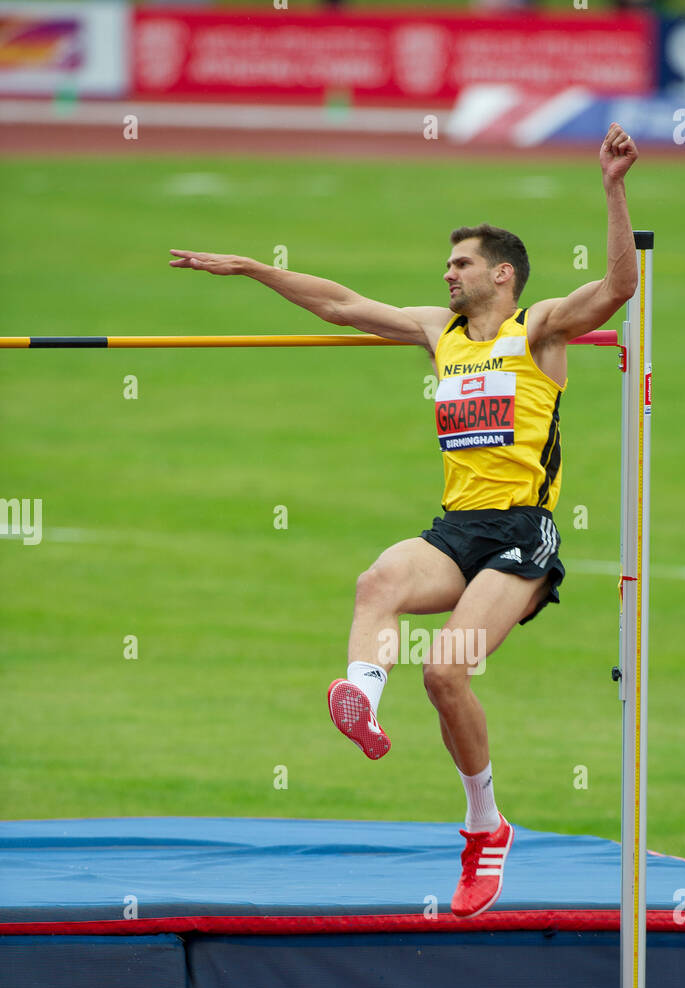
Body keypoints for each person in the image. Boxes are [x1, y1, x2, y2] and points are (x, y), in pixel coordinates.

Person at [169, 121, 639, 919]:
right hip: (457, 528)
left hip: (522, 531)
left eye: (460, 262)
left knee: (446, 672)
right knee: (377, 579)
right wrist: (252, 268)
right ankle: (361, 702)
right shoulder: (437, 332)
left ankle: (484, 828)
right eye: (446, 263)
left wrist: (612, 189)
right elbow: (341, 305)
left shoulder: (541, 327)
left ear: (501, 273)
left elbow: (619, 289)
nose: (447, 272)